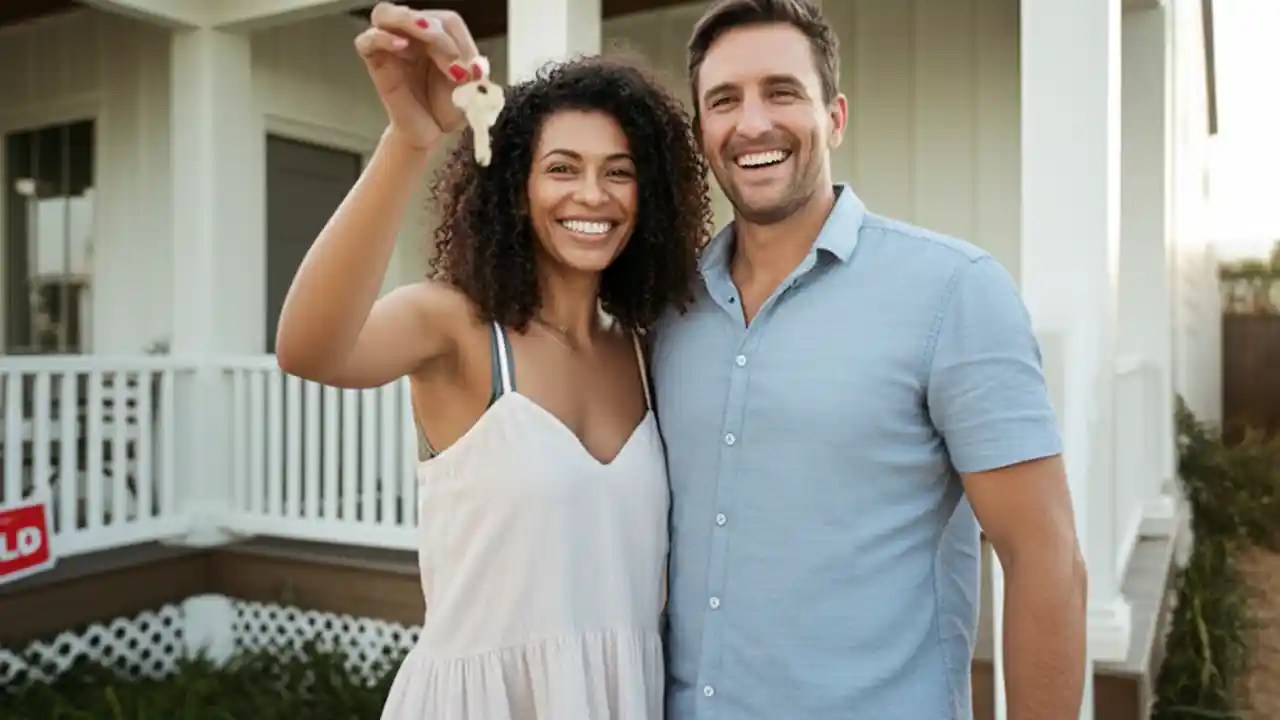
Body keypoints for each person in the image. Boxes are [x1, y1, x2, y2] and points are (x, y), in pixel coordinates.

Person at [650, 0, 1089, 718]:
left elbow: (1046, 562)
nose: (753, 122)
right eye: (724, 101)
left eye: (782, 92)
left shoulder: (952, 292)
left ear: (836, 118)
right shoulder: (670, 309)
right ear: (703, 133)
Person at [274, 4, 710, 718]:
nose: (592, 196)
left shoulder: (644, 346)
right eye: (562, 169)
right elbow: (308, 349)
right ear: (516, 189)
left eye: (618, 173)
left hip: (621, 696)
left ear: (650, 196)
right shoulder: (456, 328)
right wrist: (407, 141)